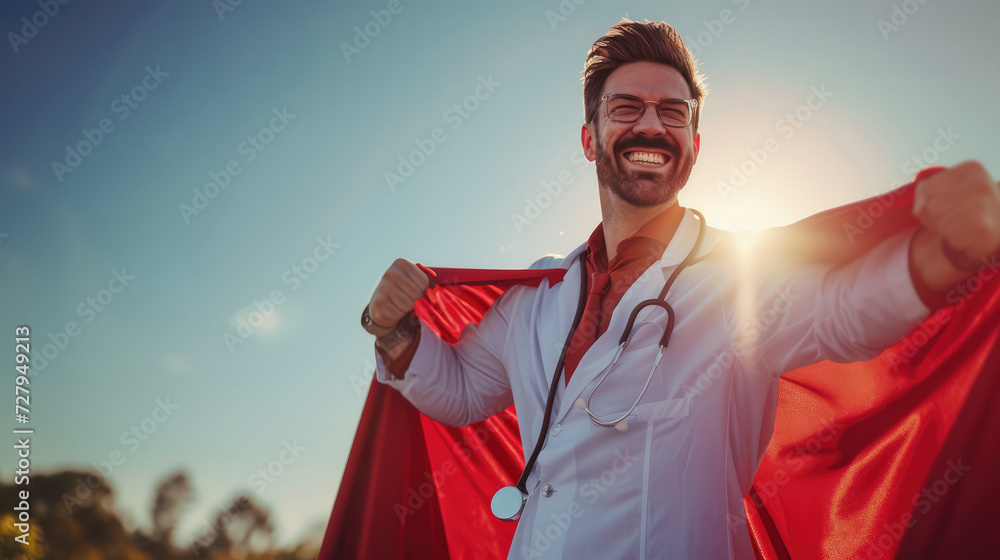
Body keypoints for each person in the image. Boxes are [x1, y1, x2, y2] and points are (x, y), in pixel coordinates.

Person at [360, 19, 1000, 560]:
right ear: (590, 139)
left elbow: (843, 314)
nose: (651, 127)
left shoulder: (740, 276)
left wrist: (943, 251)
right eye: (626, 109)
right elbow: (465, 392)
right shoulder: (535, 294)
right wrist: (396, 331)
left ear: (694, 146)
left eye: (673, 113)